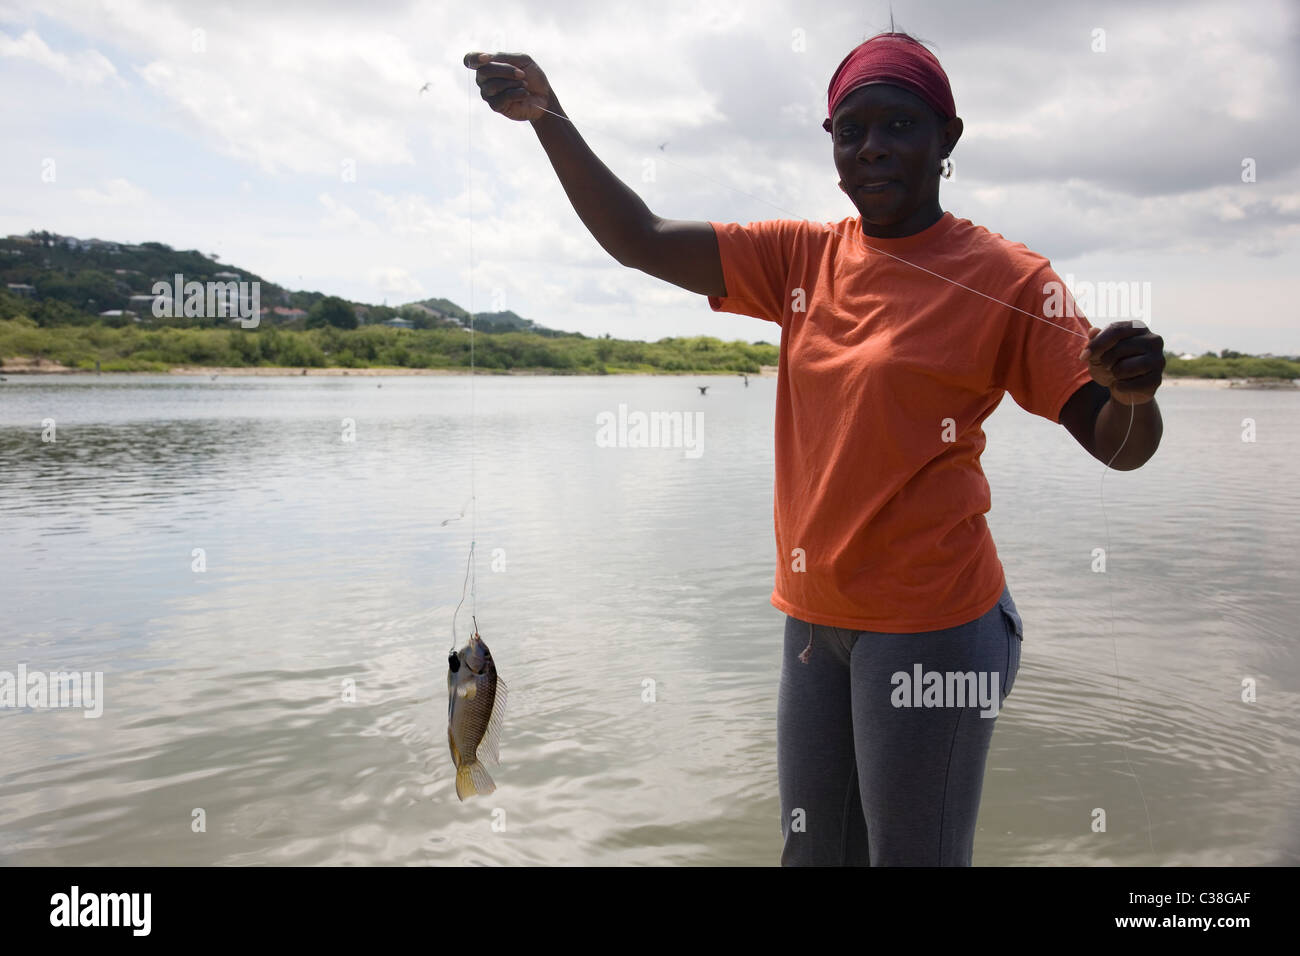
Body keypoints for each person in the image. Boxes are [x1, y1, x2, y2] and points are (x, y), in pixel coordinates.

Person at [464, 31, 1165, 866]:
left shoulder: (1011, 279)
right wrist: (549, 119)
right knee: (813, 855)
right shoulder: (802, 257)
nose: (872, 148)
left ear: (948, 139)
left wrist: (1134, 394)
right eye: (850, 129)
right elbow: (639, 237)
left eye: (900, 126)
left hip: (931, 623)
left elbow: (1122, 447)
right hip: (812, 619)